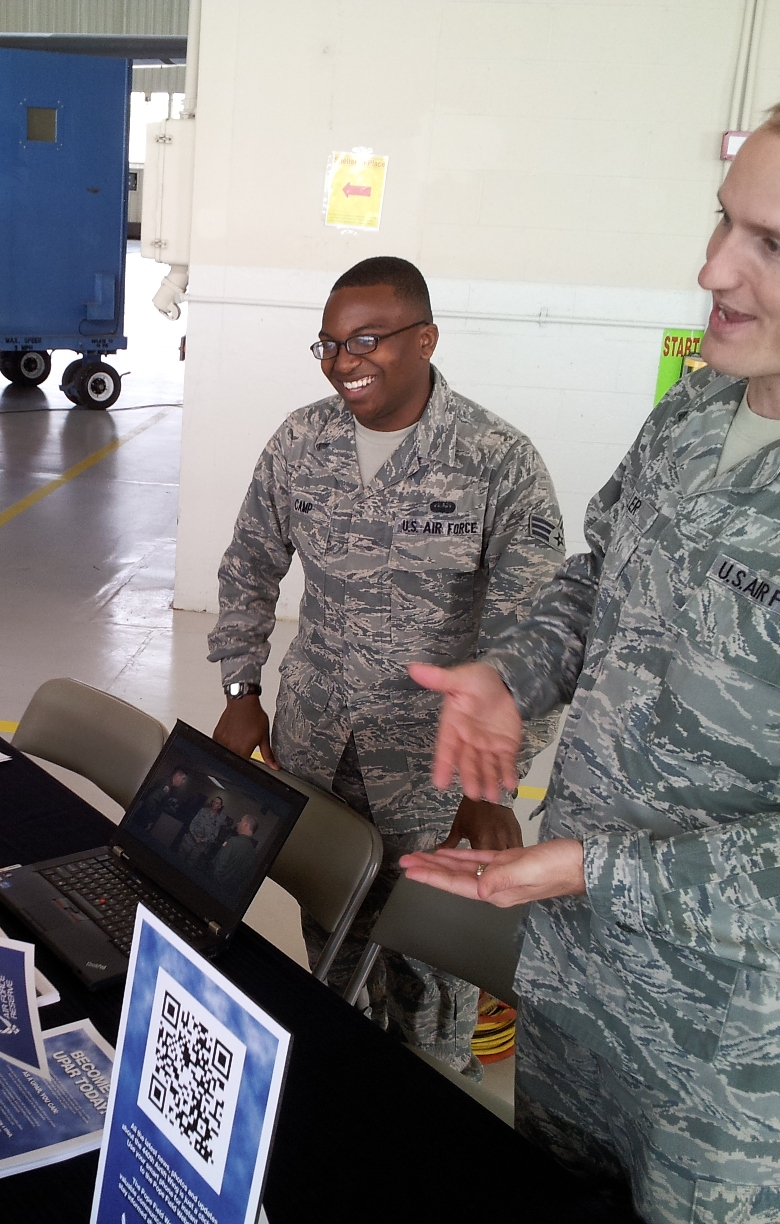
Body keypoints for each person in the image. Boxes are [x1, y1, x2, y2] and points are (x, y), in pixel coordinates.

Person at [401, 77, 780, 1224]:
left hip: (738, 1066)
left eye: (774, 244)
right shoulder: (700, 409)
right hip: (576, 991)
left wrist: (591, 868)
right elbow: (600, 577)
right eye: (723, 217)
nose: (714, 268)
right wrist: (513, 673)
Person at [208, 255, 565, 1073]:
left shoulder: (495, 461)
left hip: (432, 772)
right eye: (329, 344)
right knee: (331, 940)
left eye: (366, 340)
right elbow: (248, 567)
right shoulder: (302, 440)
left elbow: (539, 636)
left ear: (425, 339)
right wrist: (240, 687)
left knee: (431, 979)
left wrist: (491, 787)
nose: (344, 363)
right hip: (313, 749)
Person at [211, 814, 260, 893]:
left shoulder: (233, 841)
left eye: (240, 821)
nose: (238, 823)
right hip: (230, 894)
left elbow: (218, 865)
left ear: (245, 824)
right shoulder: (253, 854)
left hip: (215, 887)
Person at [181, 795, 228, 870]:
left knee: (190, 865)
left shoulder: (218, 820)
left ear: (219, 806)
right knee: (180, 857)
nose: (214, 804)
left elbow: (214, 836)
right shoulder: (203, 811)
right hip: (190, 840)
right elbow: (193, 824)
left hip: (200, 846)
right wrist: (195, 837)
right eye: (213, 802)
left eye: (216, 803)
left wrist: (203, 840)